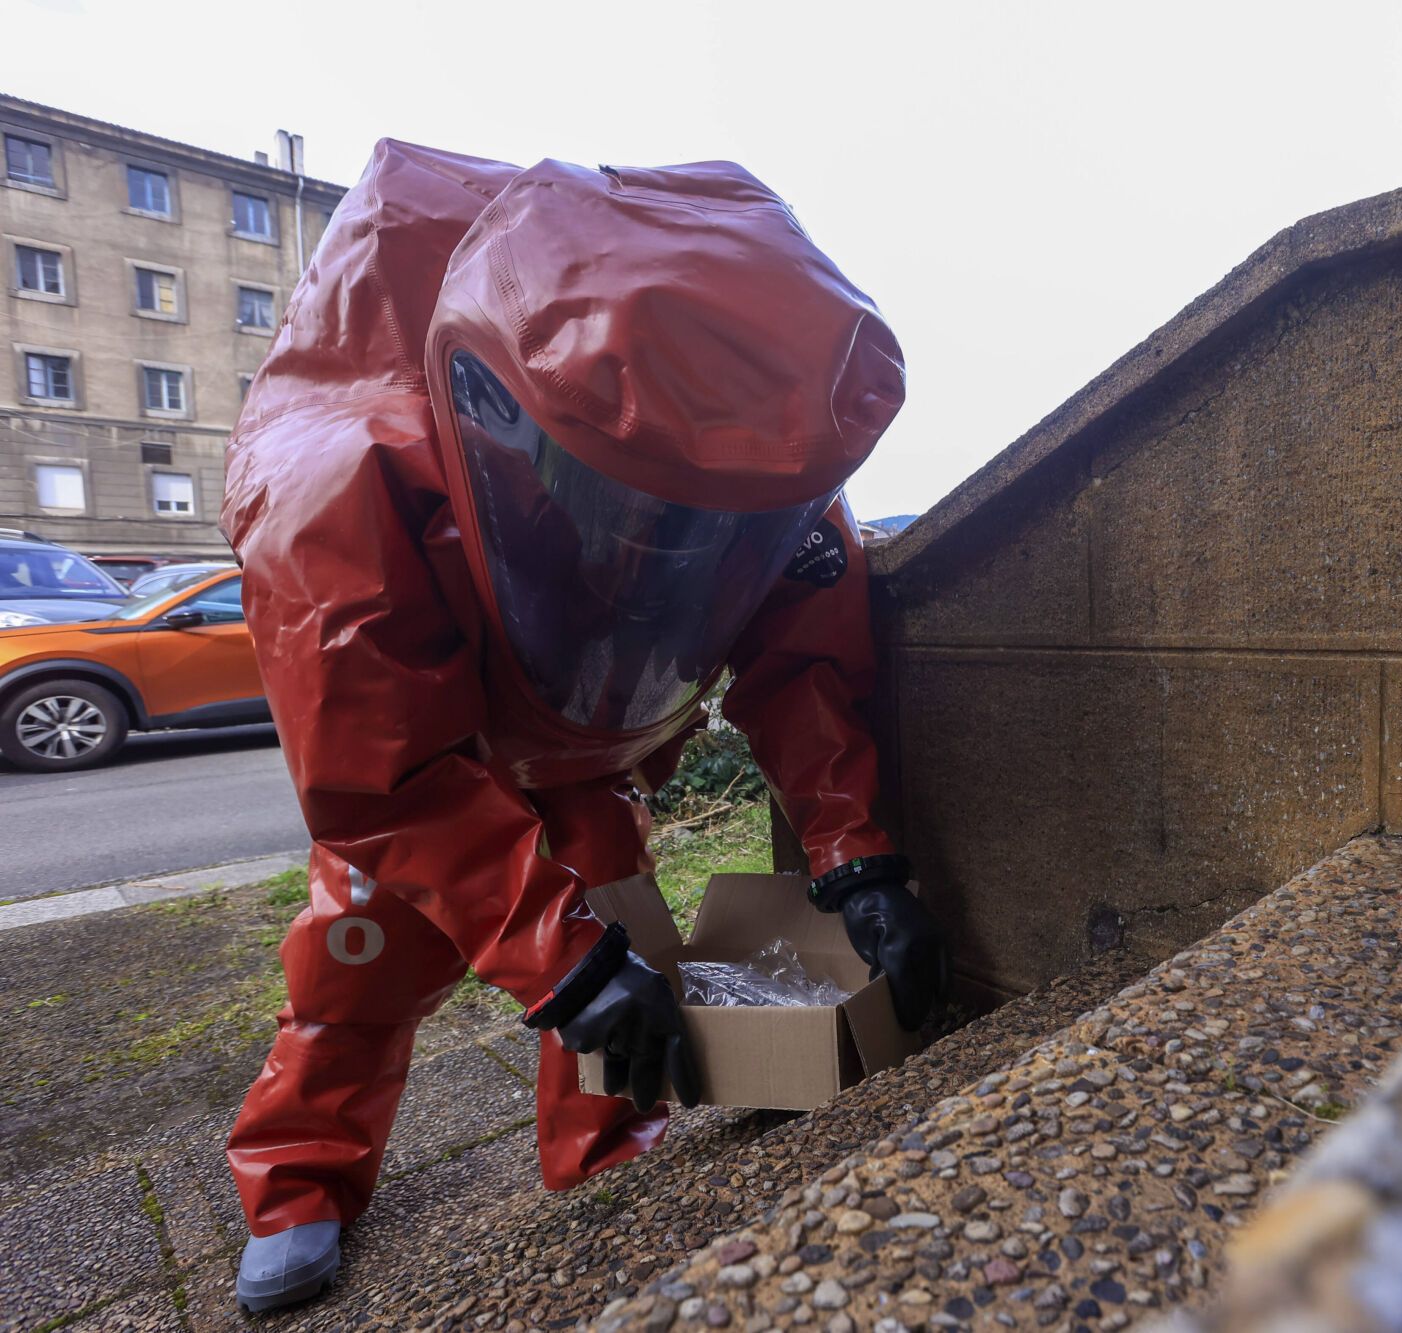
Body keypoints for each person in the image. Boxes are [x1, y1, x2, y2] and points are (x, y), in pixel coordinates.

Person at [219, 141, 947, 1314]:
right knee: (357, 958)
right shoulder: (338, 485)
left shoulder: (763, 474)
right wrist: (555, 963)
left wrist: (856, 858)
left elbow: (799, 659)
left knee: (617, 932)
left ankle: (608, 1149)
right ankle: (297, 1177)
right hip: (444, 750)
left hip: (589, 749)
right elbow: (383, 768)